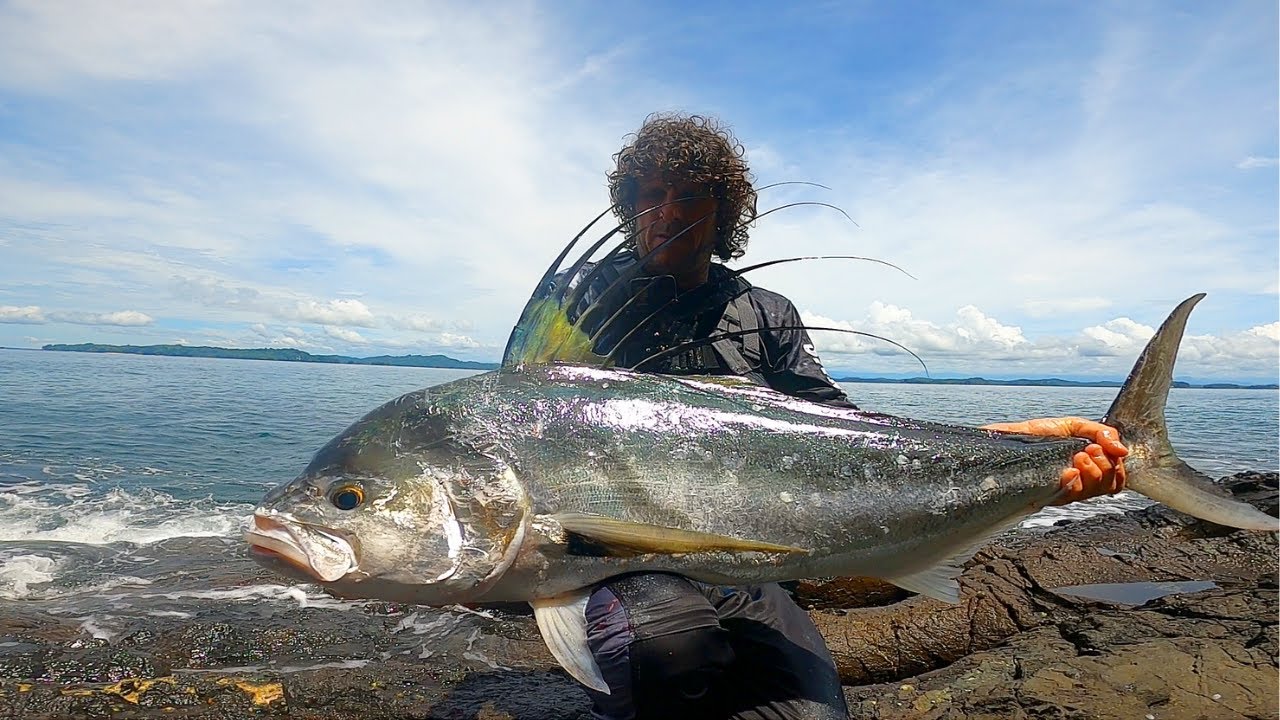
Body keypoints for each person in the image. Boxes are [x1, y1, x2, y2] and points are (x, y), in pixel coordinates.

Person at [560, 112, 1128, 720]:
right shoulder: (579, 301)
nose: (669, 213)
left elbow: (844, 434)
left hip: (747, 562)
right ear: (630, 205)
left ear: (723, 212)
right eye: (652, 194)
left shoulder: (764, 312)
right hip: (620, 561)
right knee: (668, 652)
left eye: (691, 195)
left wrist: (1018, 446)